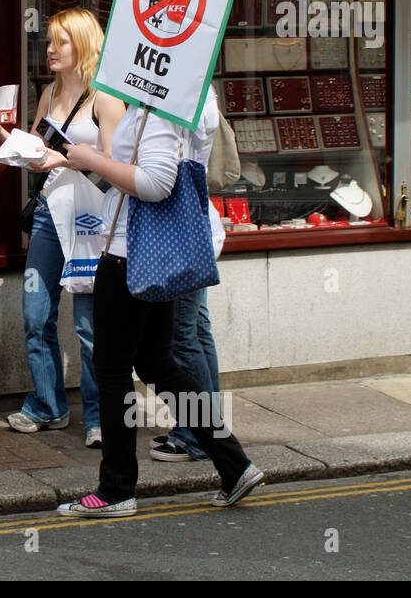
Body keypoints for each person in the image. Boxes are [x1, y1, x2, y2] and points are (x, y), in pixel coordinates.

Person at [57, 100, 265, 517]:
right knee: (157, 364)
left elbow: (156, 183)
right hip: (153, 250)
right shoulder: (189, 101)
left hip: (130, 254)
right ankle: (234, 463)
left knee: (113, 370)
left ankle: (116, 490)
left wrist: (92, 159)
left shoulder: (161, 107)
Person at [0, 9, 125, 447]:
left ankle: (99, 416)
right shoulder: (49, 93)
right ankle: (48, 405)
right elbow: (36, 153)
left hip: (91, 220)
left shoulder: (106, 99)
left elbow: (118, 169)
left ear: (83, 44)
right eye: (50, 42)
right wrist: (3, 136)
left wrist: (71, 159)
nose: (51, 50)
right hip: (48, 214)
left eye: (61, 41)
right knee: (36, 314)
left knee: (89, 326)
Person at [152, 88, 228, 462]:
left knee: (182, 336)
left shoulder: (185, 95)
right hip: (199, 225)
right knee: (197, 328)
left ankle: (197, 435)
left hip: (184, 231)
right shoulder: (204, 90)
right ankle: (211, 429)